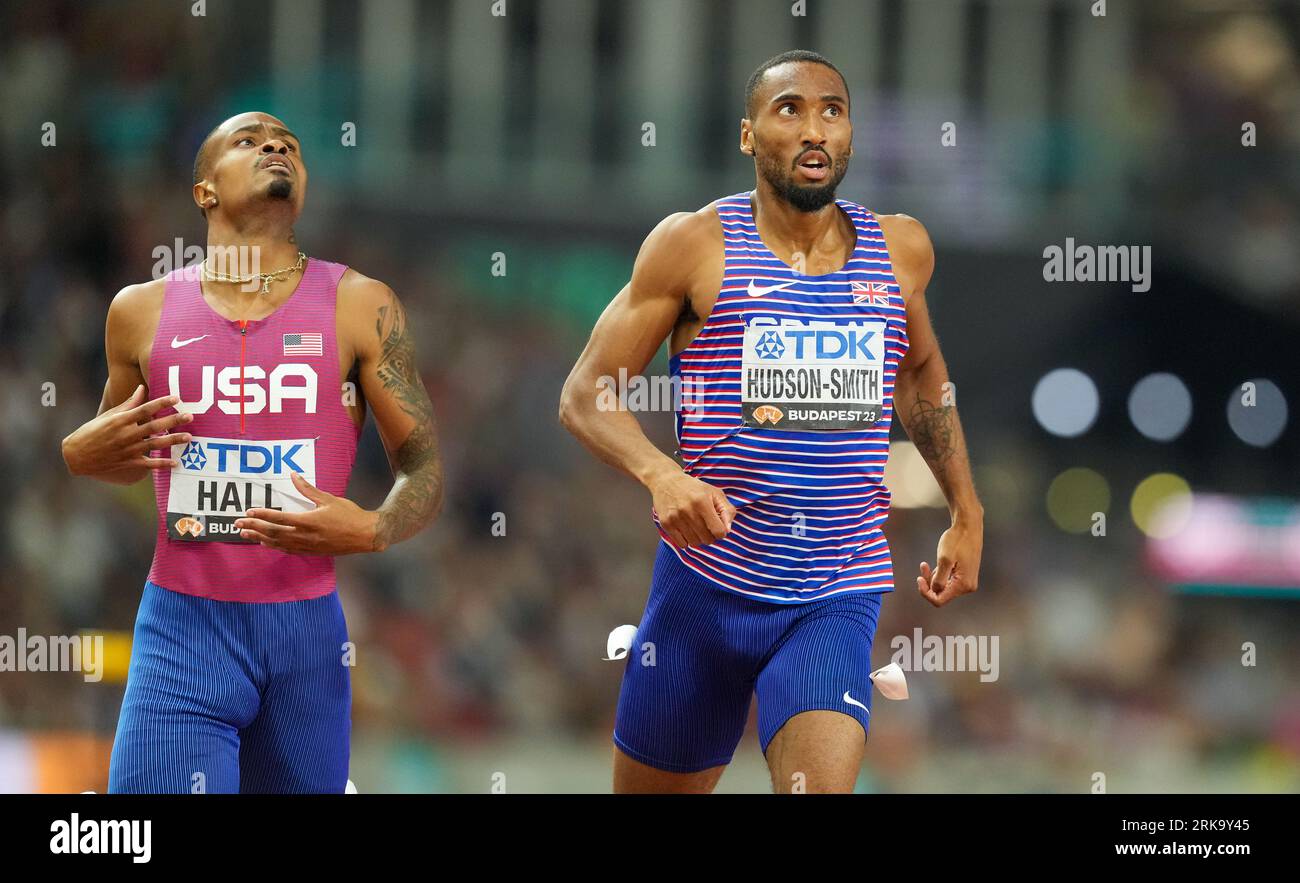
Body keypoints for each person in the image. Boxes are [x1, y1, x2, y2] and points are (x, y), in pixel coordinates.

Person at [560, 51, 984, 793]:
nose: (814, 127)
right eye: (789, 109)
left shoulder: (902, 249)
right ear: (749, 135)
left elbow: (918, 372)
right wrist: (661, 474)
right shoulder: (693, 246)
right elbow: (586, 392)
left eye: (832, 109)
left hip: (834, 590)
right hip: (703, 590)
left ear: (849, 134)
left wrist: (966, 508)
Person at [61, 112, 443, 793]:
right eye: (251, 141)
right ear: (205, 190)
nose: (276, 148)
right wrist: (80, 453)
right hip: (183, 630)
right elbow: (121, 449)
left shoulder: (362, 305)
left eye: (291, 146)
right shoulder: (140, 311)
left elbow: (425, 465)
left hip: (307, 638)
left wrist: (377, 524)